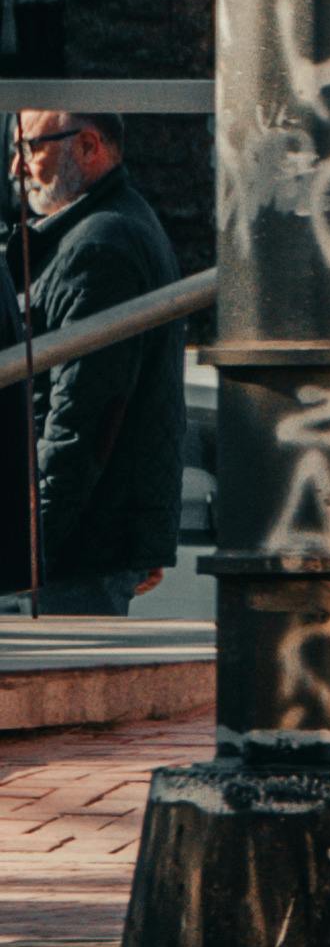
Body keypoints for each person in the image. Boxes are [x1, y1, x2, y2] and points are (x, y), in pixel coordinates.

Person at [16, 112, 186, 615]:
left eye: (30, 148)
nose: (16, 166)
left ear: (88, 146)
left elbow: (81, 419)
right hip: (95, 541)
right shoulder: (117, 224)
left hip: (73, 550)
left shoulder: (98, 245)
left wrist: (27, 548)